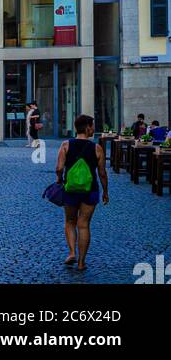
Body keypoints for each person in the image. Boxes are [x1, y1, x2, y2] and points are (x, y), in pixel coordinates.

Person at [55, 113, 108, 272]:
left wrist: (59, 180)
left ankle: (72, 252)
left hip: (70, 189)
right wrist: (105, 192)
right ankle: (81, 263)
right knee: (83, 225)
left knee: (70, 221)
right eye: (92, 126)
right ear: (87, 127)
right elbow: (102, 173)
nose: (93, 129)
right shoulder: (97, 148)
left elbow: (59, 168)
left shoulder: (65, 145)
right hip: (90, 190)